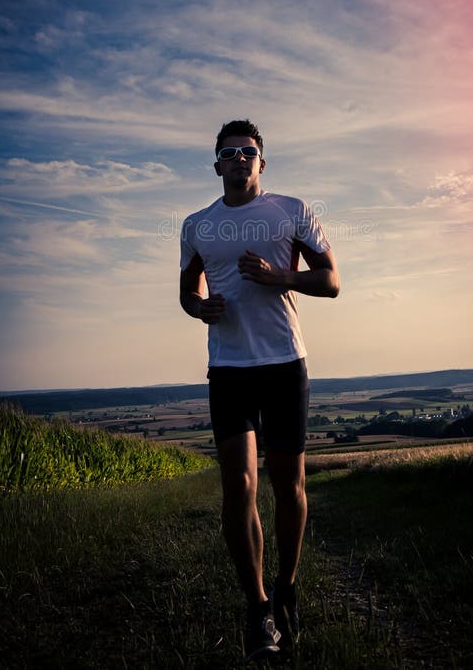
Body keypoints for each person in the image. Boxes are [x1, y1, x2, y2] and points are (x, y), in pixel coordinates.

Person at [179, 119, 340, 661]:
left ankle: (287, 587)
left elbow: (332, 281)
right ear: (217, 166)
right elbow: (187, 294)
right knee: (240, 486)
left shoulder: (291, 211)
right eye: (229, 153)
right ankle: (259, 609)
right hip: (228, 367)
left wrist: (281, 277)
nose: (239, 159)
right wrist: (200, 308)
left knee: (288, 486)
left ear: (262, 162)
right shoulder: (197, 225)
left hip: (284, 364)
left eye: (248, 152)